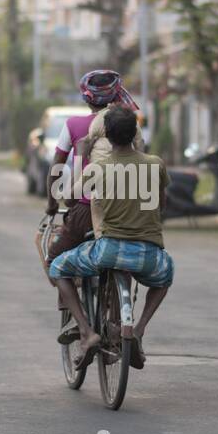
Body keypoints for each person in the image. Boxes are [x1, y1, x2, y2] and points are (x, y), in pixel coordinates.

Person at [49, 104, 174, 369]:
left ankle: (86, 331)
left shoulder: (98, 168)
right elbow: (162, 205)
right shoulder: (156, 165)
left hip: (108, 250)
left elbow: (71, 199)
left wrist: (83, 157)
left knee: (58, 266)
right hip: (149, 255)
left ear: (105, 133)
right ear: (135, 134)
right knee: (166, 276)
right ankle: (138, 329)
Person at [45, 69, 139, 267]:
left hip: (86, 207)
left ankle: (74, 298)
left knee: (54, 262)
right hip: (126, 206)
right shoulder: (130, 125)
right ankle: (122, 297)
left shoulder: (74, 124)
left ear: (87, 99)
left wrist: (52, 203)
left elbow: (57, 167)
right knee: (123, 262)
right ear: (115, 95)